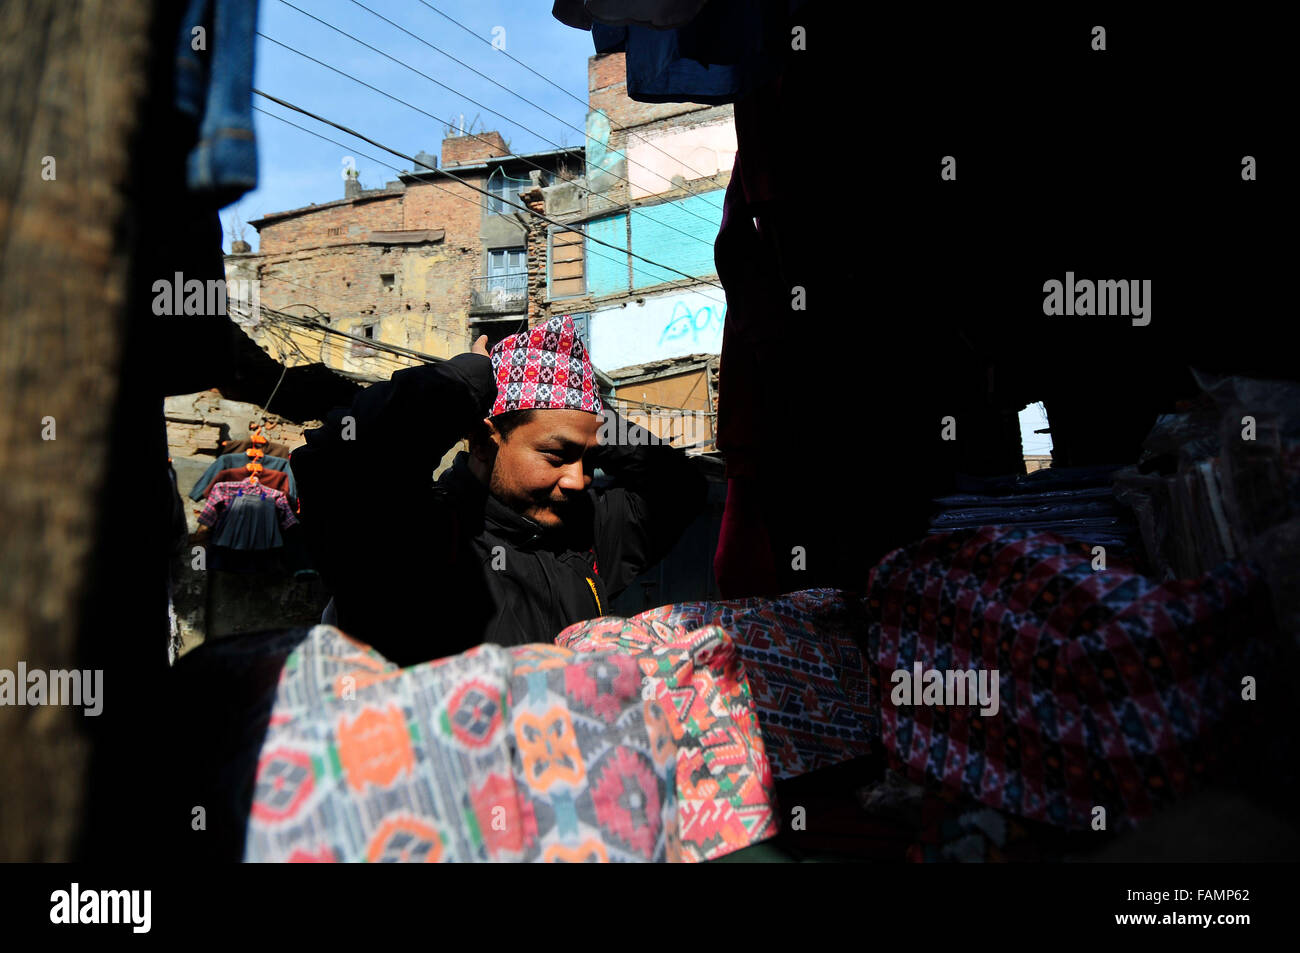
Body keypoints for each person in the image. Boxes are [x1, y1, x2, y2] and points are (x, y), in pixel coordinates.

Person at [291, 315, 708, 664]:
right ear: (484, 441)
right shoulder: (415, 537)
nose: (579, 480)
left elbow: (680, 486)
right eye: (557, 455)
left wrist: (595, 419)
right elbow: (333, 464)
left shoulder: (586, 531)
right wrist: (463, 382)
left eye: (590, 459)